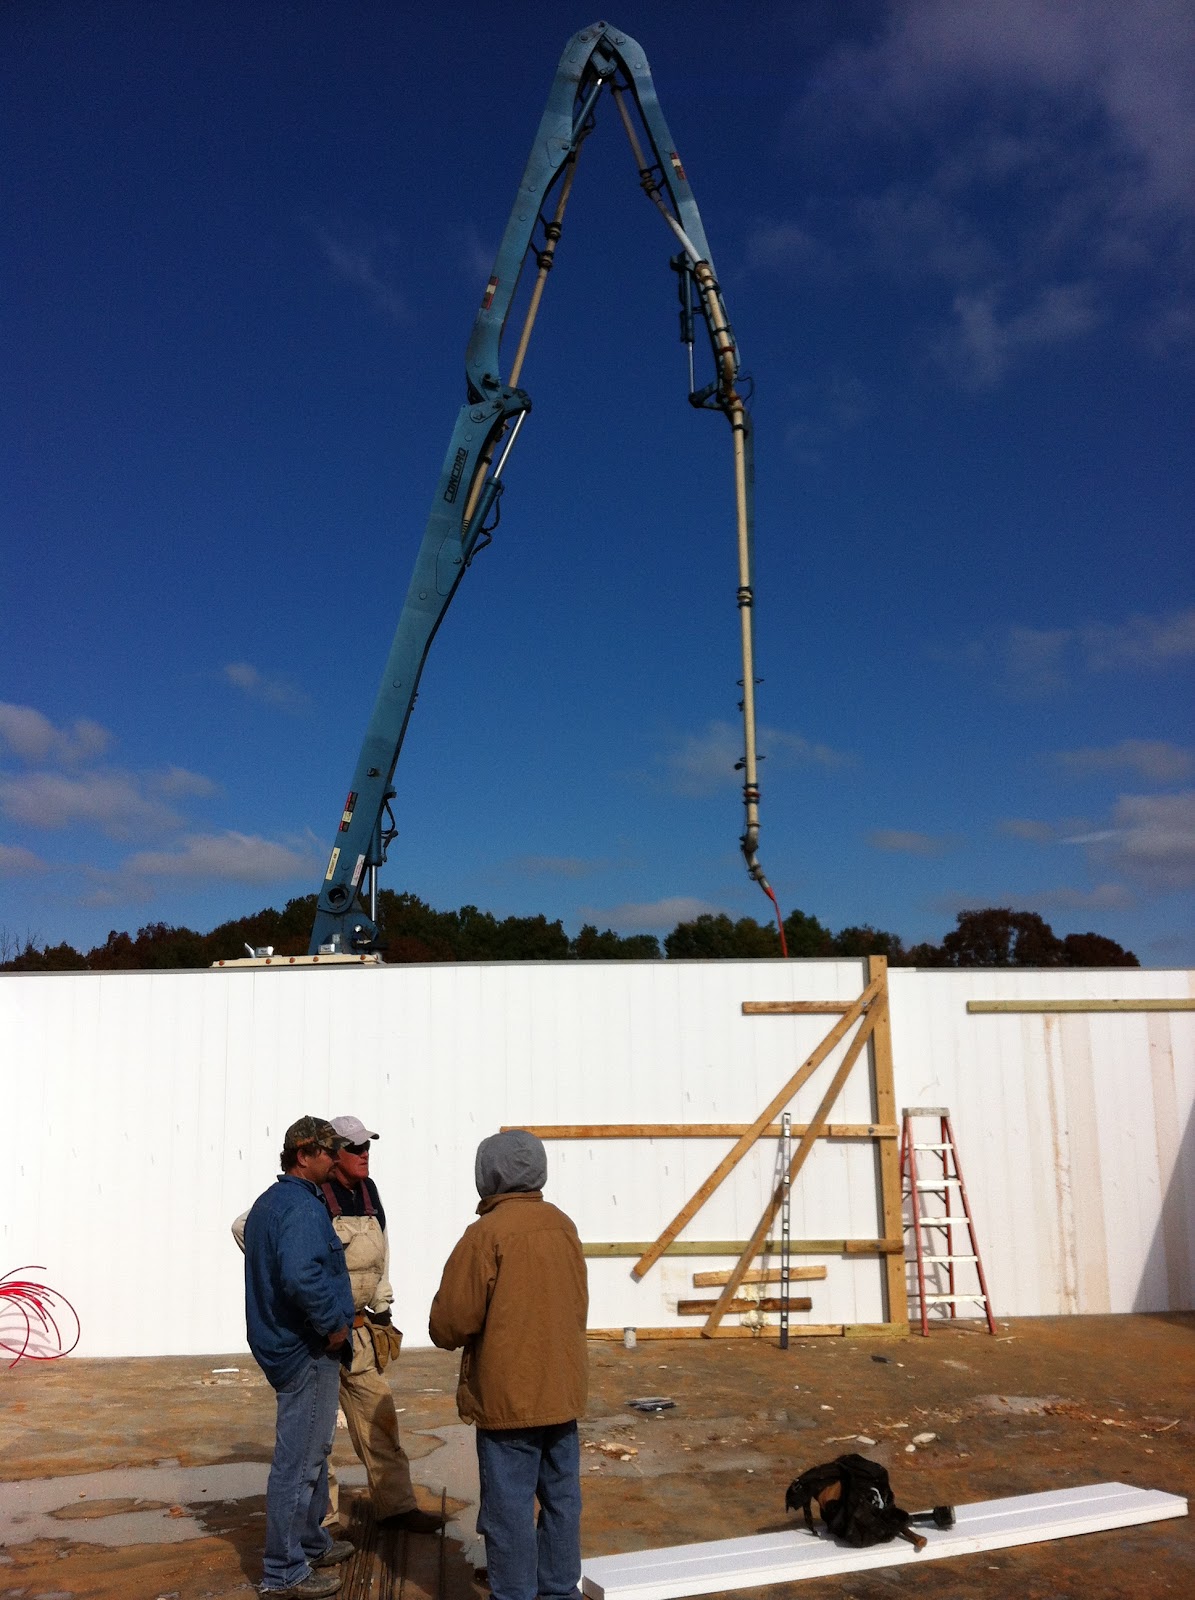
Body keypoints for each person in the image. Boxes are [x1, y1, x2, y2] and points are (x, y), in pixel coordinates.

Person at [429, 1129, 589, 1600]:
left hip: (508, 1399)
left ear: (488, 1175)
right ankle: (560, 1592)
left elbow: (451, 1322)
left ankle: (515, 1594)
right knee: (562, 1500)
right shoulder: (563, 1225)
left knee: (509, 1508)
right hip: (562, 1392)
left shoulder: (486, 1234)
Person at [242, 1115, 356, 1600]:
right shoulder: (302, 1208)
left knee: (315, 1452)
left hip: (290, 1346)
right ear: (304, 1155)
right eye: (329, 1152)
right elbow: (301, 1277)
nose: (336, 1159)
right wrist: (333, 1327)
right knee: (299, 1461)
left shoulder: (273, 1203)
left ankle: (309, 1541)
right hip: (305, 1351)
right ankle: (283, 1568)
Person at [320, 1114, 444, 1534]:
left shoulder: (368, 1193)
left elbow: (380, 1255)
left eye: (367, 1145)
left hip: (355, 1332)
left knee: (380, 1417)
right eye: (354, 1148)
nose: (364, 1153)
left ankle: (397, 1507)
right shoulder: (309, 1195)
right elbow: (246, 1227)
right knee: (317, 1437)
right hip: (313, 1339)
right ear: (331, 1154)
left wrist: (382, 1305)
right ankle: (322, 1522)